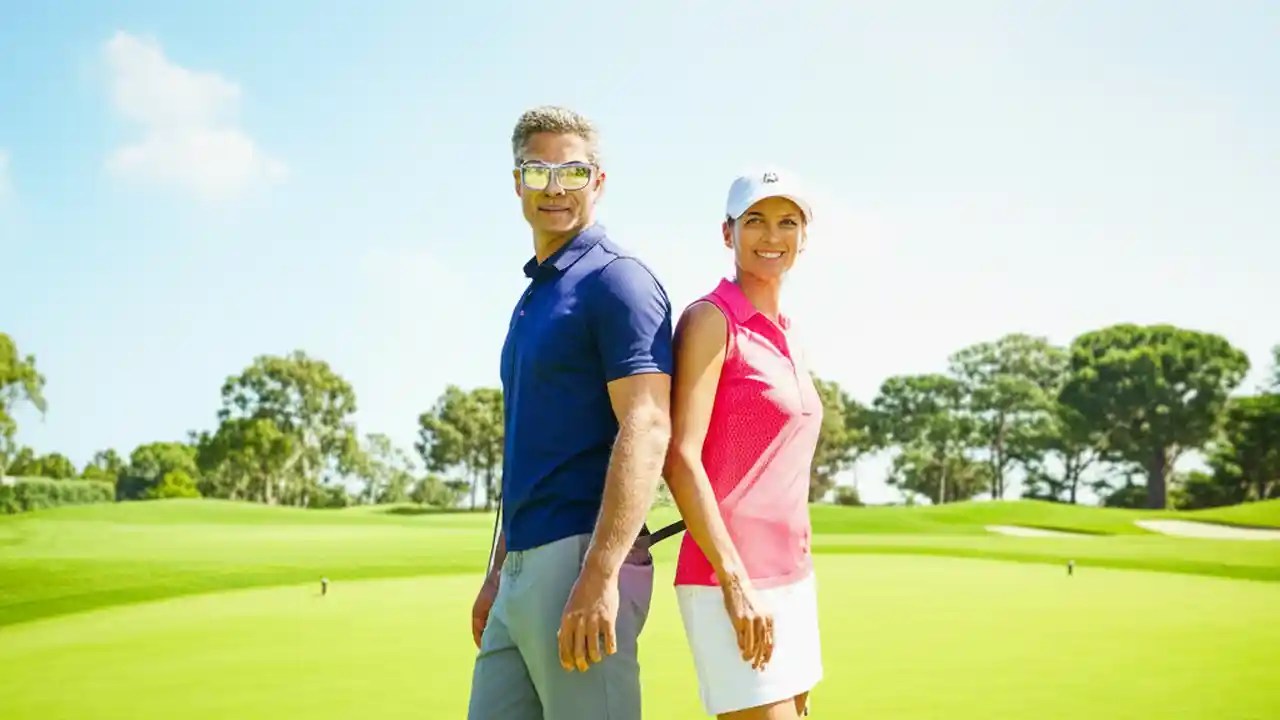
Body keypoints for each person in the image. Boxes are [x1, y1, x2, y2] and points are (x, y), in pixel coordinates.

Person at [465, 105, 674, 720]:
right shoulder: (535, 295)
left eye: (573, 173)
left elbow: (647, 423)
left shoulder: (618, 281)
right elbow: (532, 447)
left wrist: (600, 573)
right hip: (524, 566)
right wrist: (499, 570)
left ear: (598, 183)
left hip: (582, 559)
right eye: (537, 173)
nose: (554, 188)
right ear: (516, 184)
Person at [663, 168, 825, 719]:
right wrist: (735, 582)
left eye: (786, 222)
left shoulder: (791, 333)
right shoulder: (712, 319)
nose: (771, 236)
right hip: (727, 576)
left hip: (793, 575)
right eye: (754, 221)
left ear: (805, 237)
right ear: (727, 233)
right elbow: (680, 457)